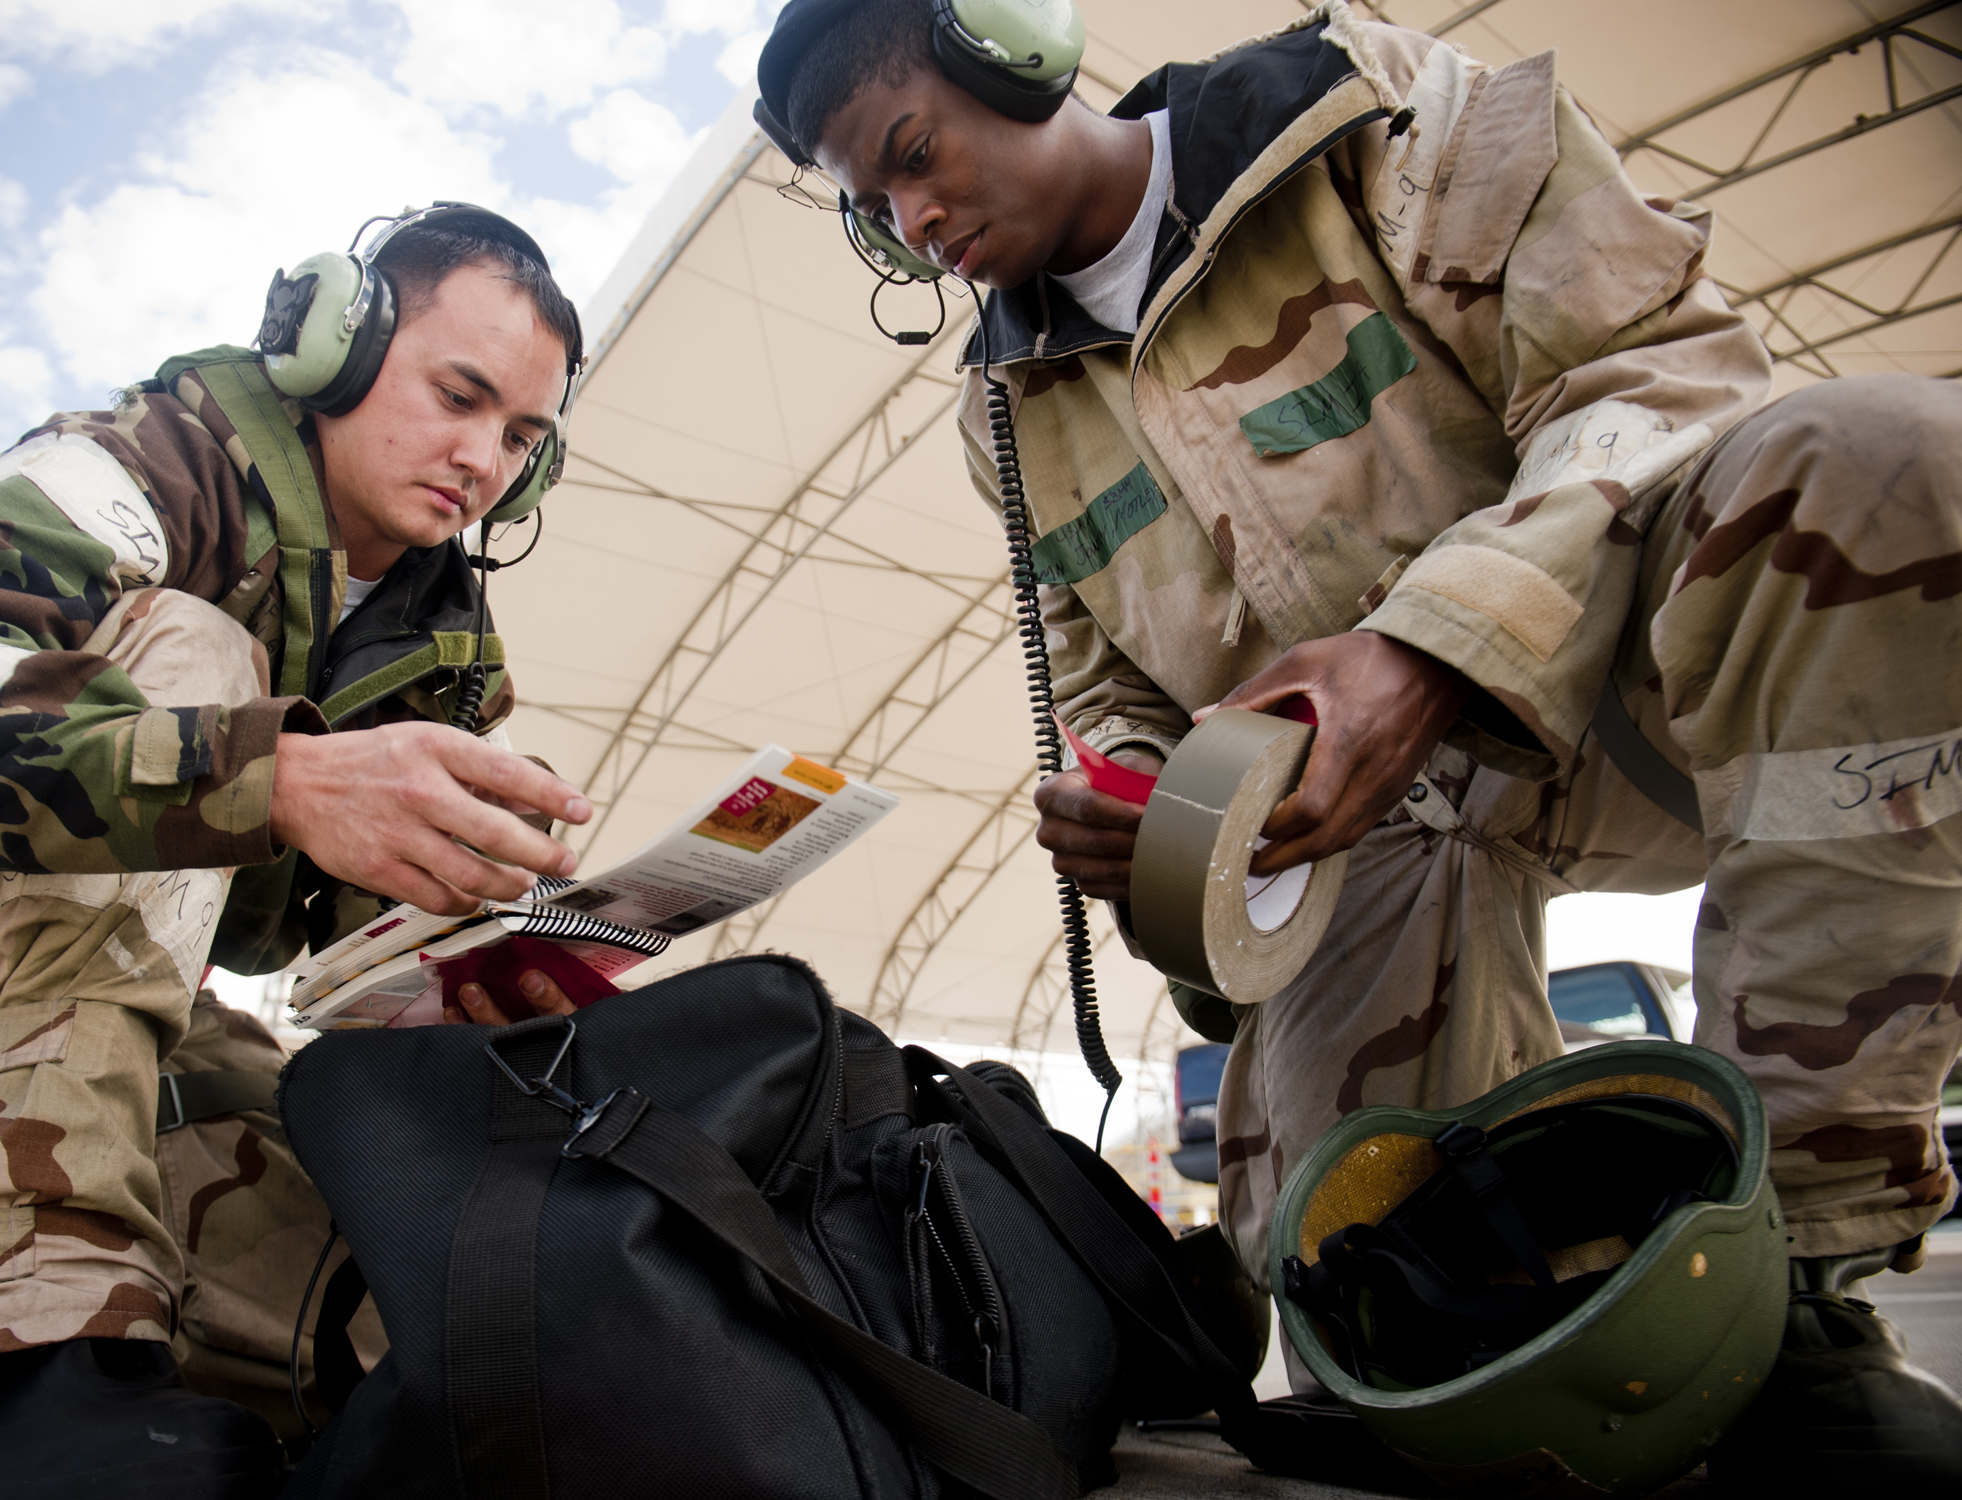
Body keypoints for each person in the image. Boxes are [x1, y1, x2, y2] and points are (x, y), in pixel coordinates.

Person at [757, 0, 1962, 1488]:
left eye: (912, 155)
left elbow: (1652, 370)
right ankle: (1541, 1338)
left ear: (1017, 52)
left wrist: (1429, 650)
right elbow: (1110, 691)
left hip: (1634, 680)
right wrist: (1142, 817)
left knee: (1879, 462)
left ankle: (1804, 1294)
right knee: (1361, 1306)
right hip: (1353, 830)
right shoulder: (1004, 414)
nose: (914, 220)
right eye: (873, 208)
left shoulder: (1359, 120)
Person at [0, 204, 595, 1497]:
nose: (481, 459)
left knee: (299, 1200)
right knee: (192, 653)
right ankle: (13, 1359)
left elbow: (357, 957)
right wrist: (267, 775)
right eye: (458, 396)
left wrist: (477, 974)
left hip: (70, 1003)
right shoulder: (153, 465)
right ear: (338, 348)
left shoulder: (442, 655)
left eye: (520, 437)